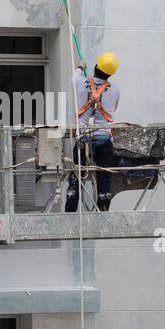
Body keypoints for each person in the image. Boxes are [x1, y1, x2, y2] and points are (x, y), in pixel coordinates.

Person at [66, 52, 120, 212]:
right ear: (110, 74)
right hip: (103, 138)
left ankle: (70, 211)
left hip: (83, 138)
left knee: (77, 177)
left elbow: (74, 75)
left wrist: (80, 66)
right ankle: (103, 210)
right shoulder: (115, 89)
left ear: (96, 66)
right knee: (104, 178)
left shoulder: (79, 81)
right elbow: (113, 109)